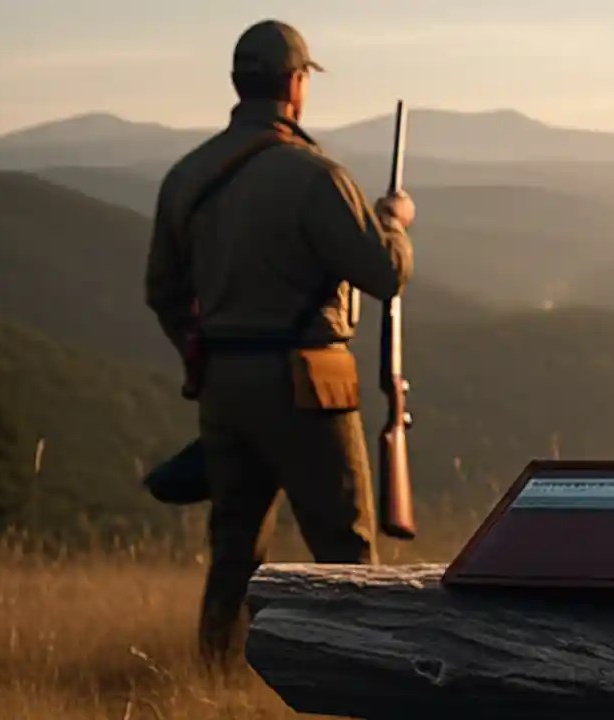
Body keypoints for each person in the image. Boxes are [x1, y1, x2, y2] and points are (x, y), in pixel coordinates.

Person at [144, 19, 415, 670]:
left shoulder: (188, 175)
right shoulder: (316, 175)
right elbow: (384, 273)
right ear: (296, 84)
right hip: (309, 387)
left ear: (240, 83)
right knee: (347, 559)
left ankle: (213, 680)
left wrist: (197, 350)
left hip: (225, 391)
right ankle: (365, 683)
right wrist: (394, 222)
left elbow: (162, 290)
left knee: (234, 551)